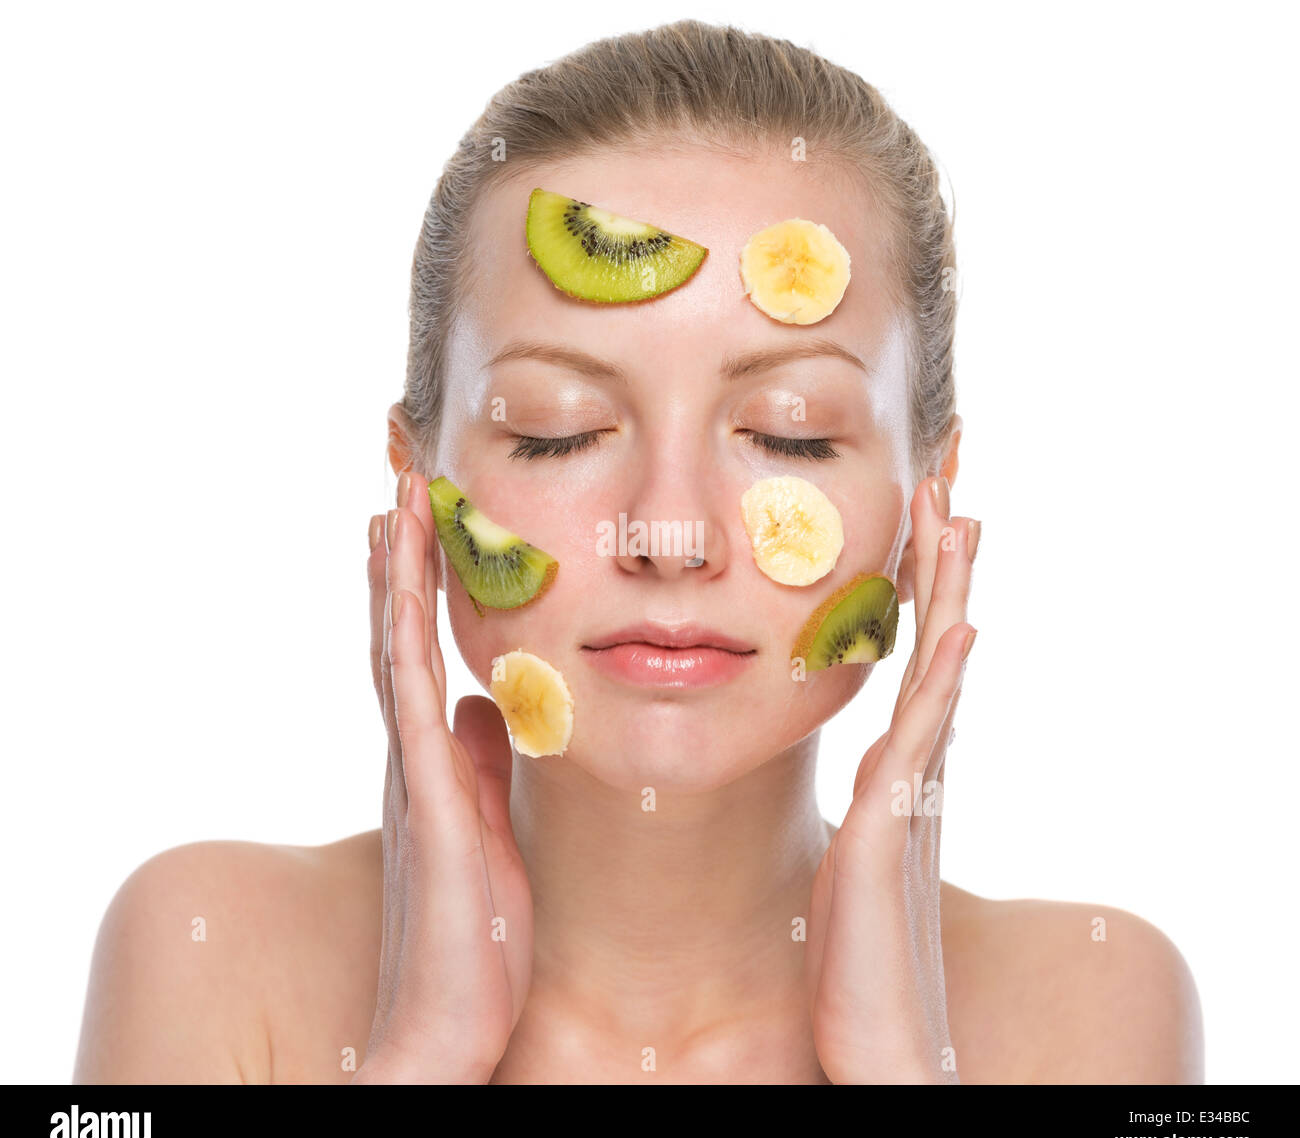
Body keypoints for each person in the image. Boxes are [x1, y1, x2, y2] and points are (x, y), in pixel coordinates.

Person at [73, 19, 1202, 1084]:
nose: (670, 531)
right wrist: (420, 1052)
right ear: (412, 481)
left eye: (788, 431)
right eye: (556, 427)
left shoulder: (1095, 1005)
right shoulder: (204, 949)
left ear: (927, 506)